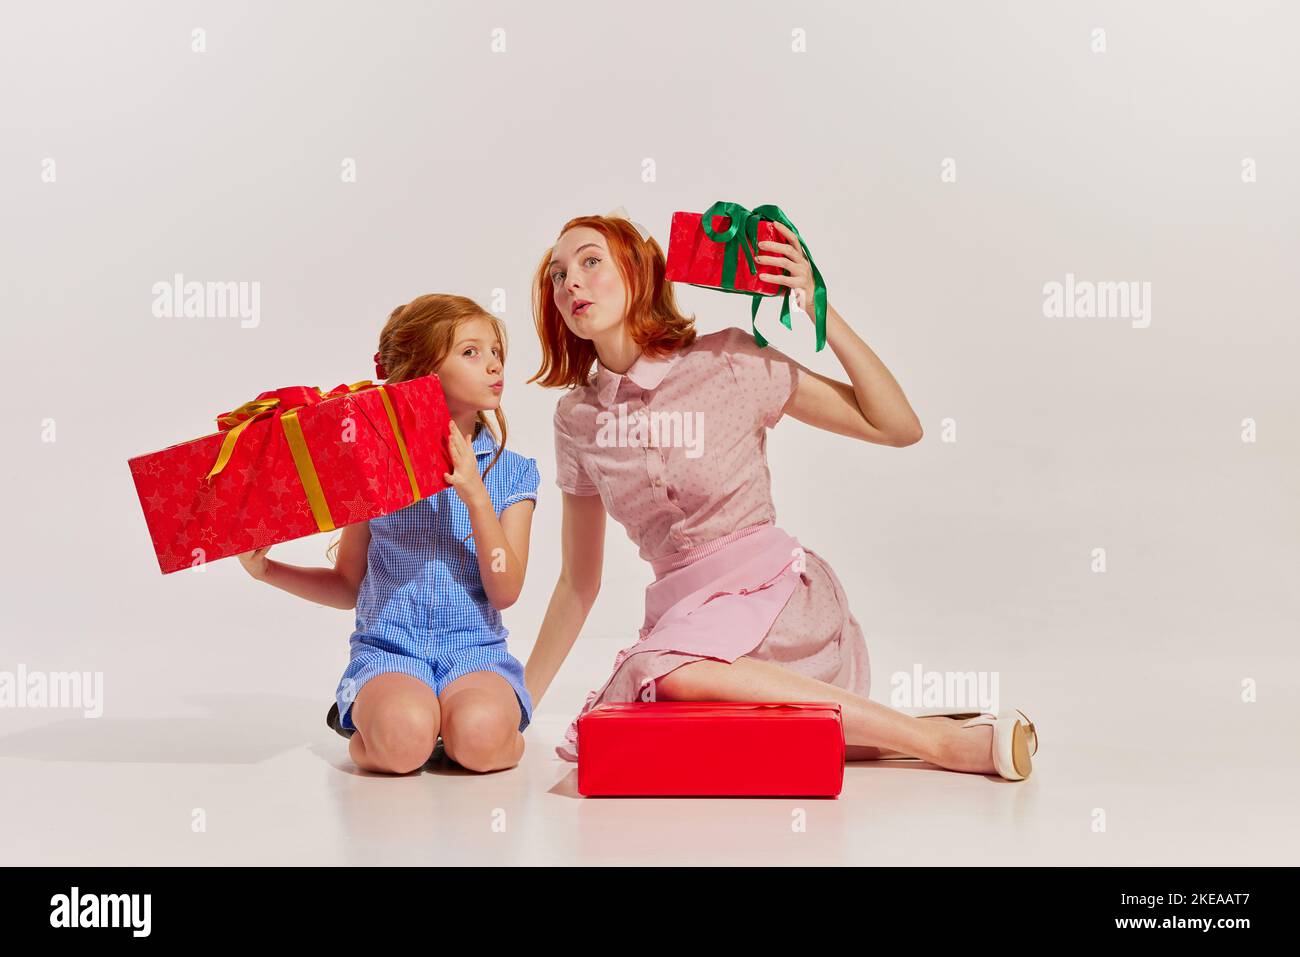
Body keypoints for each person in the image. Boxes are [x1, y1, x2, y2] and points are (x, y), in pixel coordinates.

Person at [524, 210, 1038, 781]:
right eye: (557, 273)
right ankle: (872, 734)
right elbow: (578, 583)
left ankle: (934, 741)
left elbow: (899, 427)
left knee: (659, 672)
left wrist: (822, 311)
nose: (570, 283)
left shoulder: (730, 361)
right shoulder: (577, 419)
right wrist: (518, 711)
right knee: (657, 710)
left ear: (638, 271)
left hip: (778, 609)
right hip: (692, 630)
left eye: (591, 261)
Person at [239, 294, 540, 775]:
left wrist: (477, 499)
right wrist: (265, 570)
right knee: (402, 742)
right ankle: (381, 725)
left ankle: (473, 728)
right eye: (471, 352)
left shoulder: (514, 473)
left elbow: (505, 591)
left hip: (475, 655)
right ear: (424, 372)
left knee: (481, 739)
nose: (493, 365)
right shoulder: (370, 472)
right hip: (390, 653)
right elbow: (345, 587)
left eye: (495, 351)